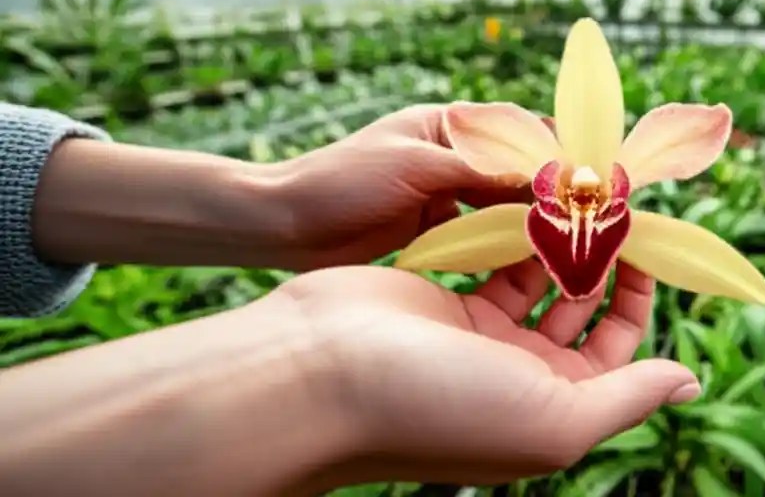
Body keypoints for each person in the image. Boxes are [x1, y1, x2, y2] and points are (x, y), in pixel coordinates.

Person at [0, 103, 701, 496]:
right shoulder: (526, 221)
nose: (582, 204)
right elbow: (449, 250)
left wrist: (283, 206)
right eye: (573, 198)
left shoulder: (561, 220)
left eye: (592, 200)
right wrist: (327, 379)